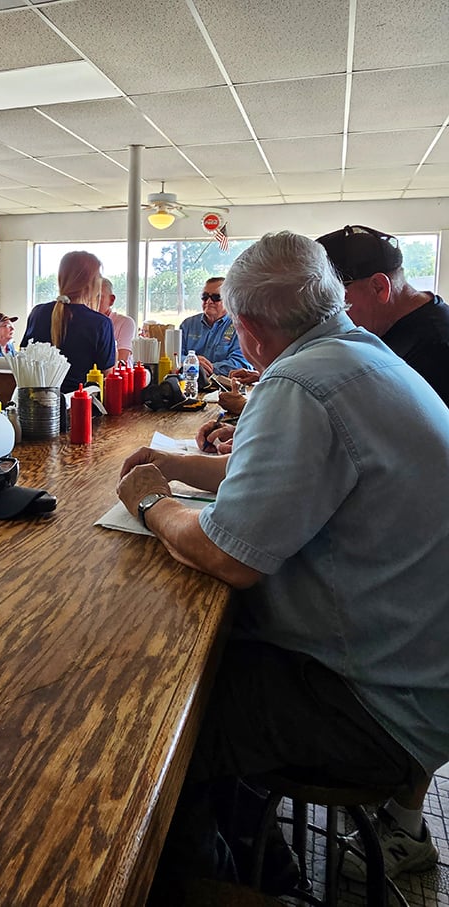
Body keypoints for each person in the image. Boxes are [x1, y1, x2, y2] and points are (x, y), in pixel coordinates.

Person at [117, 232, 449, 893]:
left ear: (249, 330)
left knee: (155, 723)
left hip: (372, 706)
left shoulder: (299, 382)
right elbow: (282, 476)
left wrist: (153, 502)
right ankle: (260, 856)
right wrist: (180, 464)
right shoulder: (358, 353)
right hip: (420, 675)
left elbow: (228, 554)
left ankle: (210, 881)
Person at [317, 224, 449, 406]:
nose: (328, 314)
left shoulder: (438, 349)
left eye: (334, 298)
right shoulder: (391, 330)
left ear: (379, 287)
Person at [21, 251, 115, 394]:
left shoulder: (37, 313)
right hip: (80, 406)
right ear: (91, 284)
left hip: (36, 404)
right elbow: (107, 377)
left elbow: (24, 358)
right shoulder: (100, 324)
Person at [179, 277, 249, 378]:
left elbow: (241, 363)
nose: (209, 301)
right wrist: (190, 362)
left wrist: (207, 368)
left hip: (225, 387)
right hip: (189, 383)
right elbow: (174, 356)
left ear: (229, 300)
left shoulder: (238, 326)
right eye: (205, 296)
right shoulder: (187, 325)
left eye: (216, 297)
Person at [98, 277, 136, 363]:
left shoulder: (125, 322)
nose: (92, 302)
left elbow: (121, 361)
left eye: (99, 297)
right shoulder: (85, 324)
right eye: (88, 297)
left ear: (111, 300)